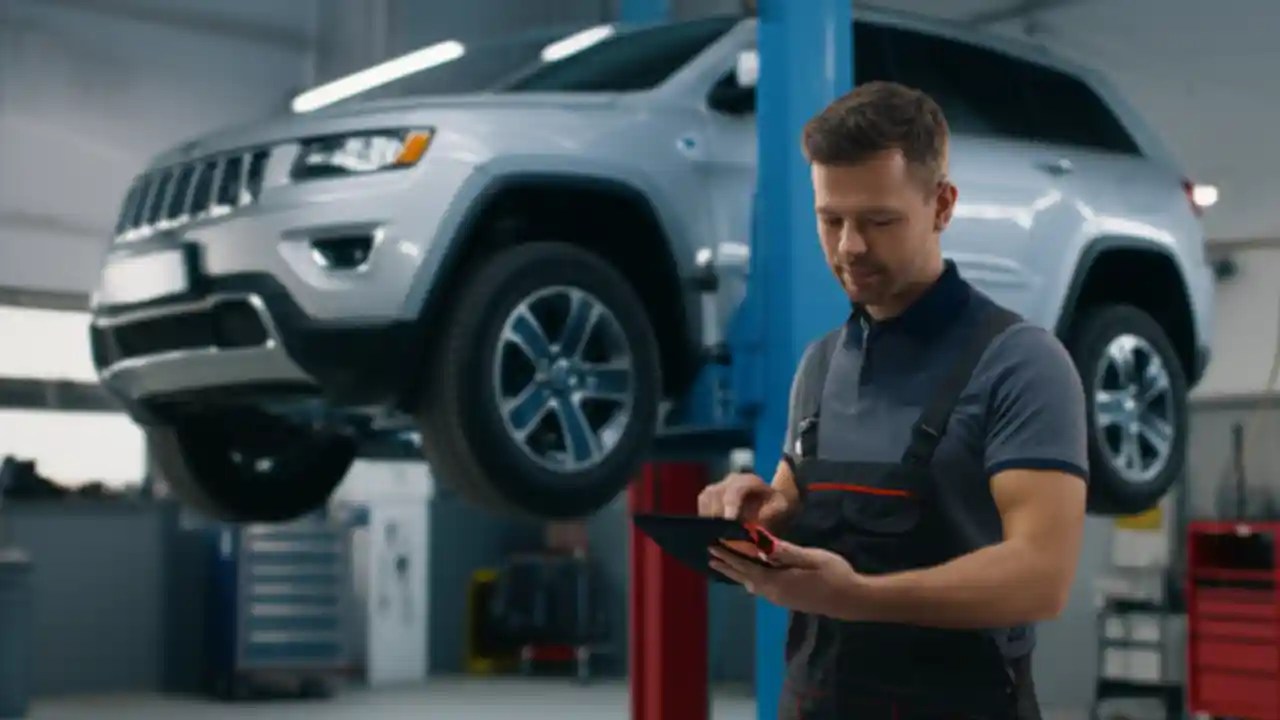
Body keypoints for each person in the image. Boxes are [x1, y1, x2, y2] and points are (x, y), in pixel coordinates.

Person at [698, 81, 1088, 719]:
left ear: (942, 206)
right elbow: (795, 497)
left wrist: (859, 597)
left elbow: (1040, 577)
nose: (850, 245)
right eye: (831, 219)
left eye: (879, 220)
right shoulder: (821, 365)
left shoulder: (1021, 364)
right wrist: (760, 512)